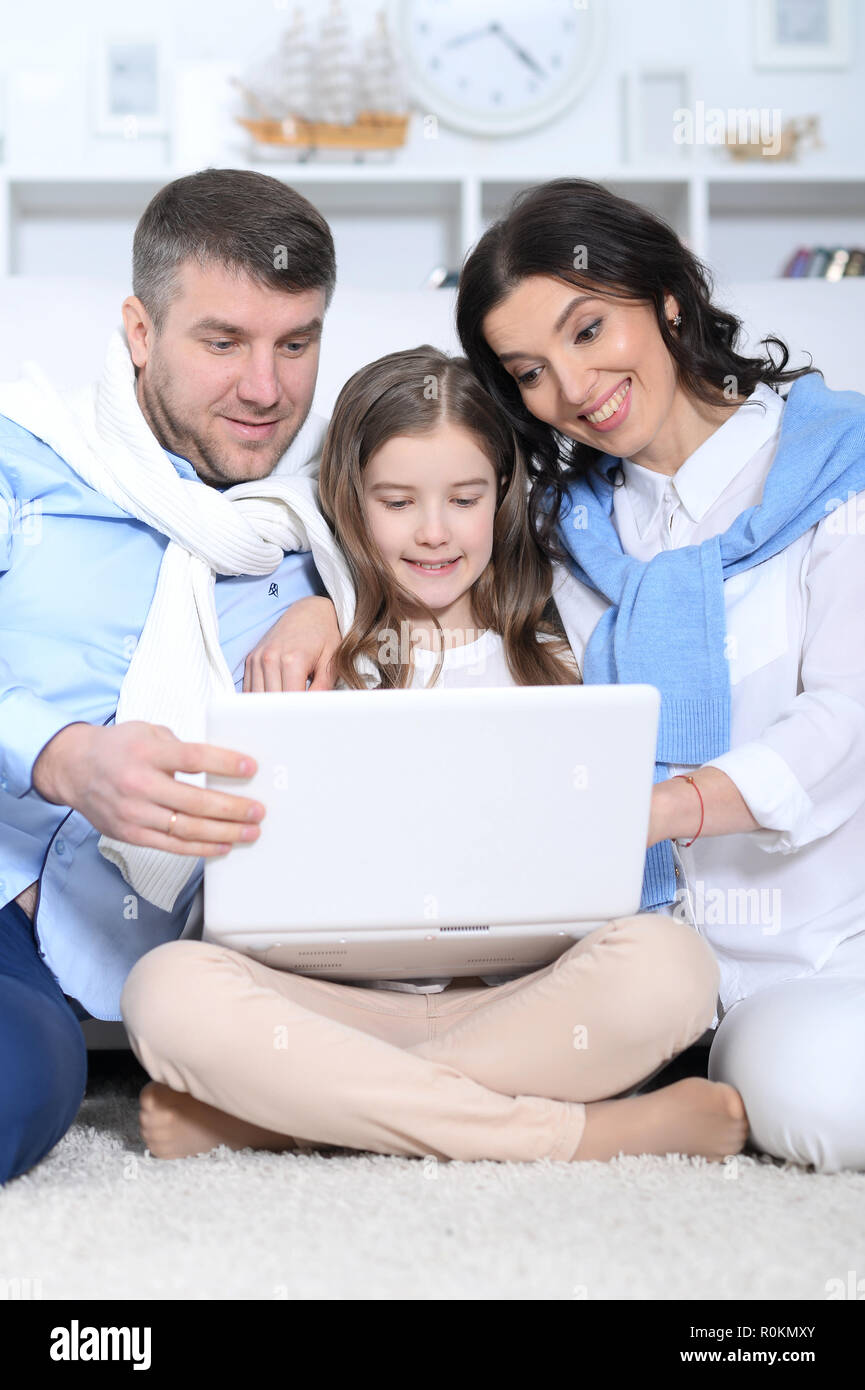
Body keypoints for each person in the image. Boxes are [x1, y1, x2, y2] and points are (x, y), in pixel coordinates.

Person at [120, 346, 746, 1167]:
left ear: (502, 496)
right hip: (331, 1003)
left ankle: (288, 1119)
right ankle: (578, 1136)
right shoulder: (305, 647)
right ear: (350, 503)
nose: (433, 532)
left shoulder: (564, 638)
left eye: (464, 498)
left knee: (673, 969)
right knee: (165, 991)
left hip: (520, 998)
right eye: (396, 501)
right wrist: (317, 613)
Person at [455, 177, 865, 1173]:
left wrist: (661, 807)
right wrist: (311, 594)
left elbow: (846, 714)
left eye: (588, 329)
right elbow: (384, 502)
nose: (574, 385)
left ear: (665, 297)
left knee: (828, 1092)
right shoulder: (562, 533)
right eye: (530, 371)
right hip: (659, 965)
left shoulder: (835, 468)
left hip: (829, 939)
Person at [0, 168, 348, 1184]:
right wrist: (59, 756)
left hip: (196, 958)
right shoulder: (26, 457)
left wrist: (340, 600)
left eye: (297, 342)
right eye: (223, 341)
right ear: (141, 331)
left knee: (22, 1081)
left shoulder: (344, 505)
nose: (265, 389)